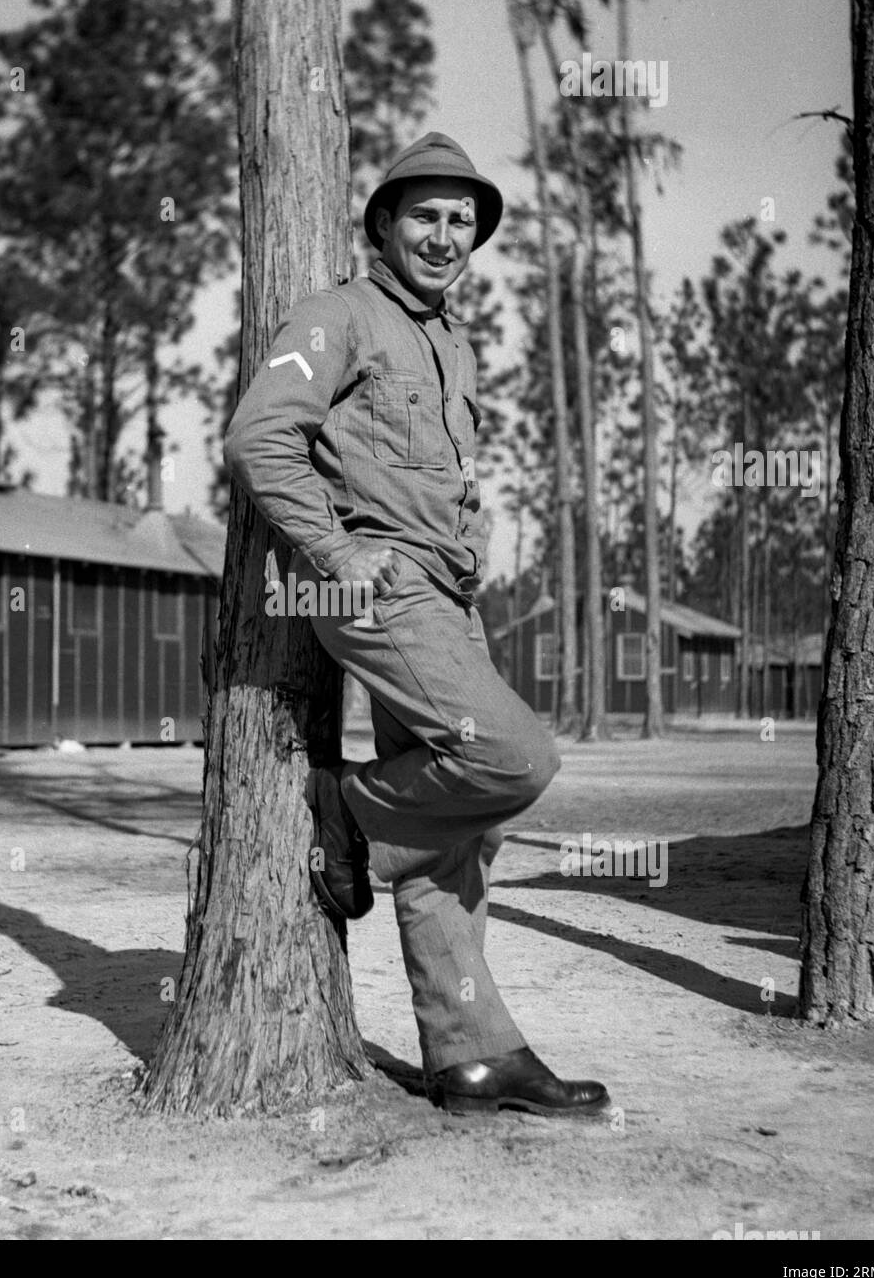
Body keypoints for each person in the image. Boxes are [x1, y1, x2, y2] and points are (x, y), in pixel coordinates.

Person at [223, 133, 608, 1118]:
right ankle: (346, 813)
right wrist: (333, 551)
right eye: (425, 217)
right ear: (384, 225)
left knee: (453, 846)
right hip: (375, 588)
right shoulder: (340, 314)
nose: (445, 237)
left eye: (461, 221)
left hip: (447, 593)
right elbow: (261, 434)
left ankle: (472, 1058)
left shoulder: (452, 341)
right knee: (513, 759)